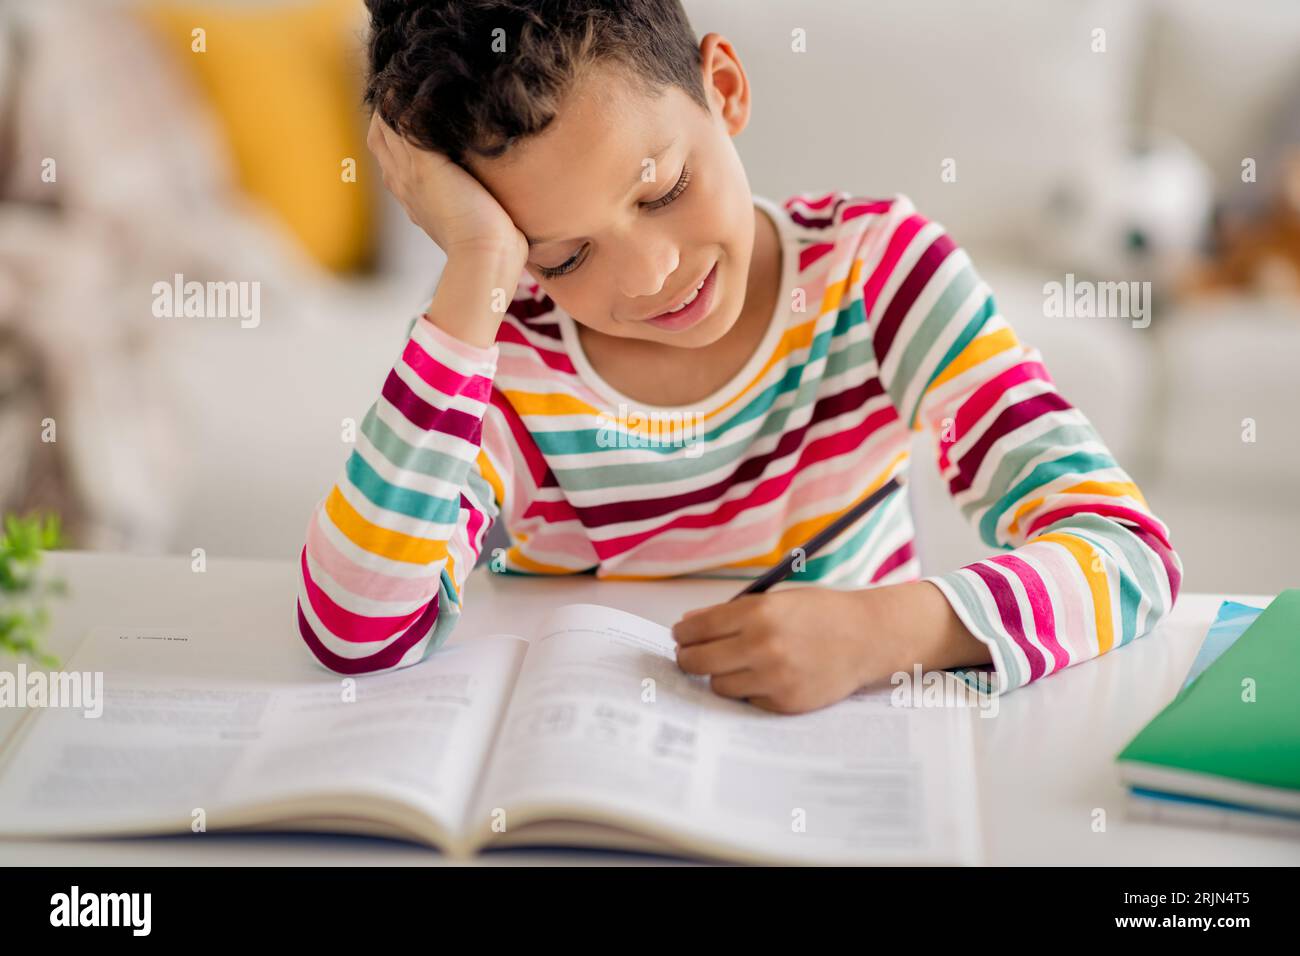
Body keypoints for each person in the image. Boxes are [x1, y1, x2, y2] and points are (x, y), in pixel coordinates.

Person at [296, 0, 1182, 714]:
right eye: (562, 255)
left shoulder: (877, 274)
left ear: (723, 89)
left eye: (663, 190)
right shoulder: (504, 345)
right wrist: (482, 268)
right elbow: (355, 630)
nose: (651, 276)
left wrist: (895, 631)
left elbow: (1127, 551)